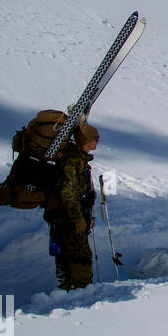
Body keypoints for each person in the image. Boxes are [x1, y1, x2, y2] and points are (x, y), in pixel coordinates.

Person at [45, 123, 98, 291]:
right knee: (80, 256)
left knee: (67, 255)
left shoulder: (77, 158)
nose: (97, 142)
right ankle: (81, 292)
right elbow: (68, 192)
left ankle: (67, 287)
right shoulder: (73, 161)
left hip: (67, 217)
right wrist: (77, 219)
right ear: (87, 141)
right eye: (95, 139)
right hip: (68, 218)